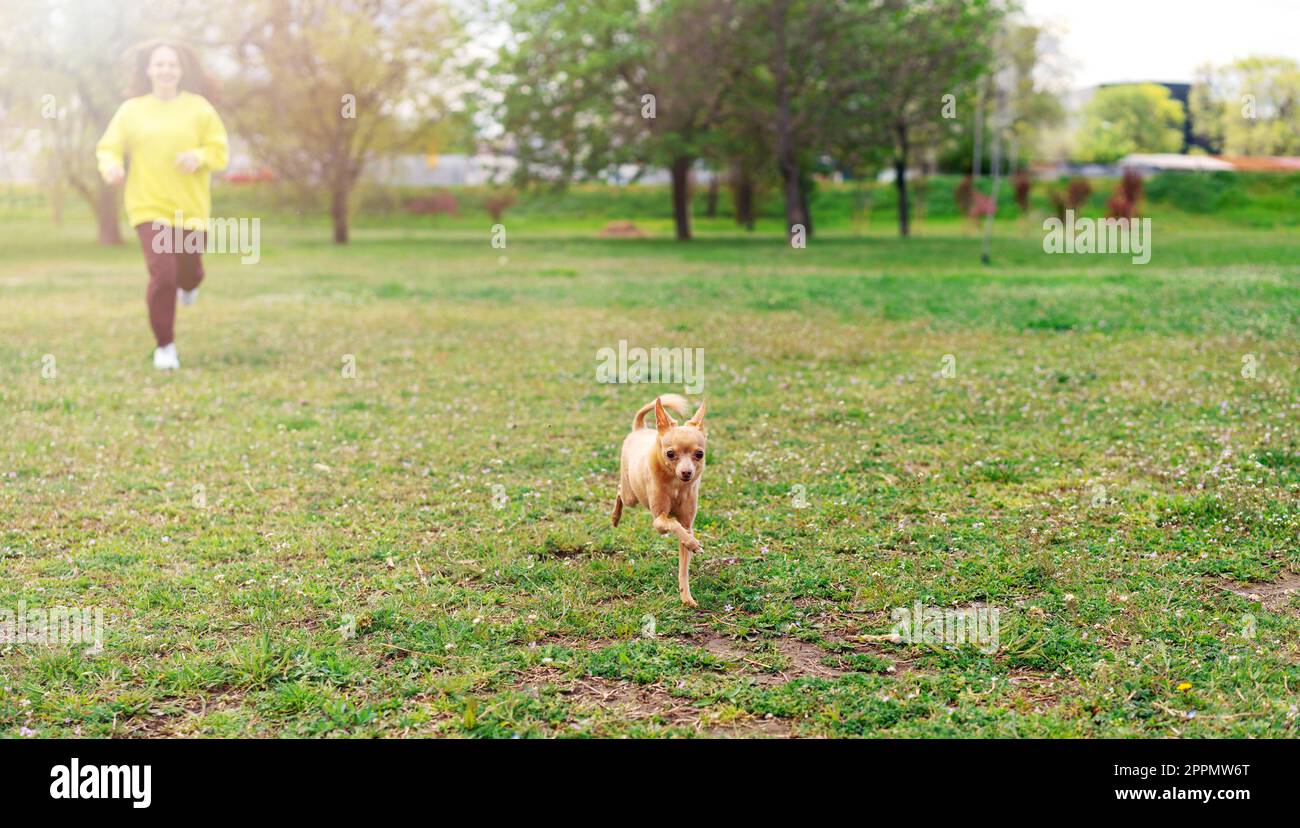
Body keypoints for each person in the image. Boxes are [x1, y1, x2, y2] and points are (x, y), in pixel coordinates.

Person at [96, 40, 228, 370]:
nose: (166, 69)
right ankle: (165, 347)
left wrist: (198, 156)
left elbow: (220, 152)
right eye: (159, 64)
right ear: (148, 70)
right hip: (148, 206)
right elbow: (108, 147)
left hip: (191, 210)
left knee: (189, 273)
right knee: (163, 274)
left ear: (181, 70)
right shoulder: (131, 110)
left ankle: (190, 285)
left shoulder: (199, 109)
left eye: (172, 64)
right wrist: (111, 166)